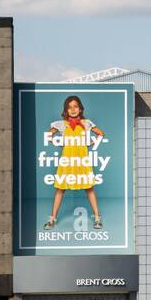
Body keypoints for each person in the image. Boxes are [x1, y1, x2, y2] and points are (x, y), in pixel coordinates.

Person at [43, 95, 105, 230]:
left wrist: (91, 142)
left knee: (89, 188)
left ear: (80, 108)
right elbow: (48, 135)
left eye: (75, 106)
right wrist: (59, 142)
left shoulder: (87, 123)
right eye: (69, 107)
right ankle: (52, 219)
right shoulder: (61, 124)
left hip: (82, 160)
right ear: (66, 110)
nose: (73, 109)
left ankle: (98, 218)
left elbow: (101, 133)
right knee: (60, 189)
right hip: (67, 160)